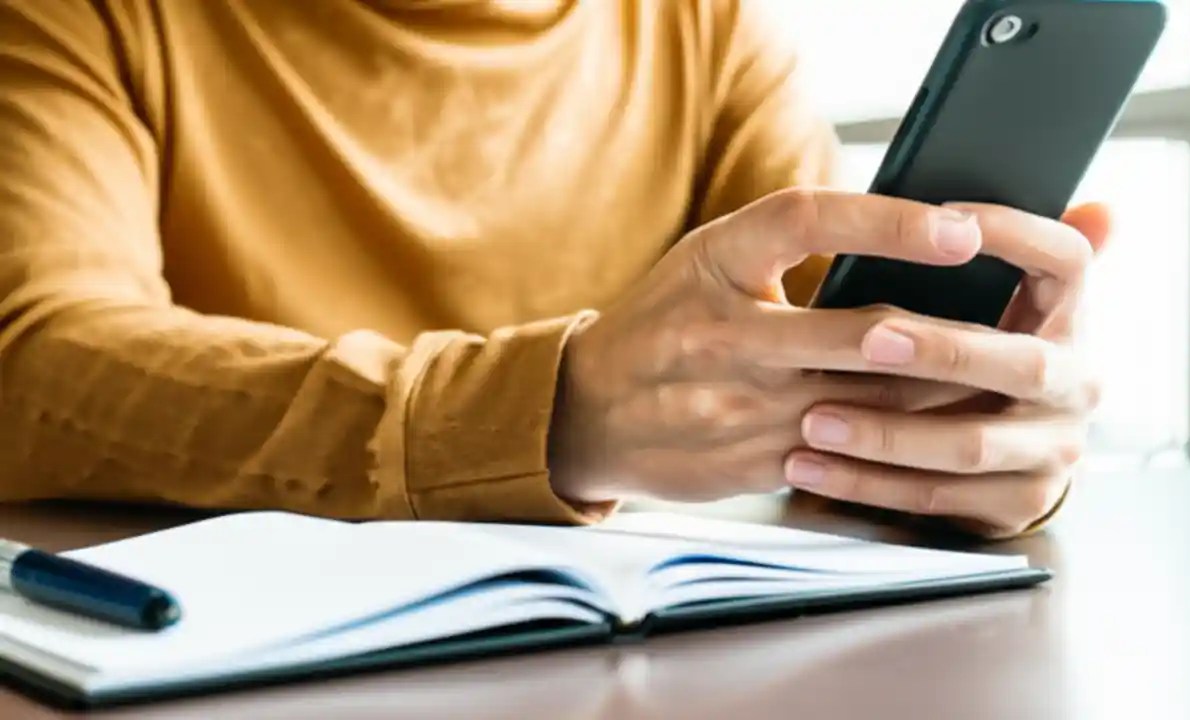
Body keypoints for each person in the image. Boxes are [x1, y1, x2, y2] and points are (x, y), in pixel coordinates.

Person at [0, 0, 1106, 539]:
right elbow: (33, 364)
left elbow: (829, 364)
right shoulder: (82, 15)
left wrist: (964, 431)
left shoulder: (699, 28)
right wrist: (545, 413)